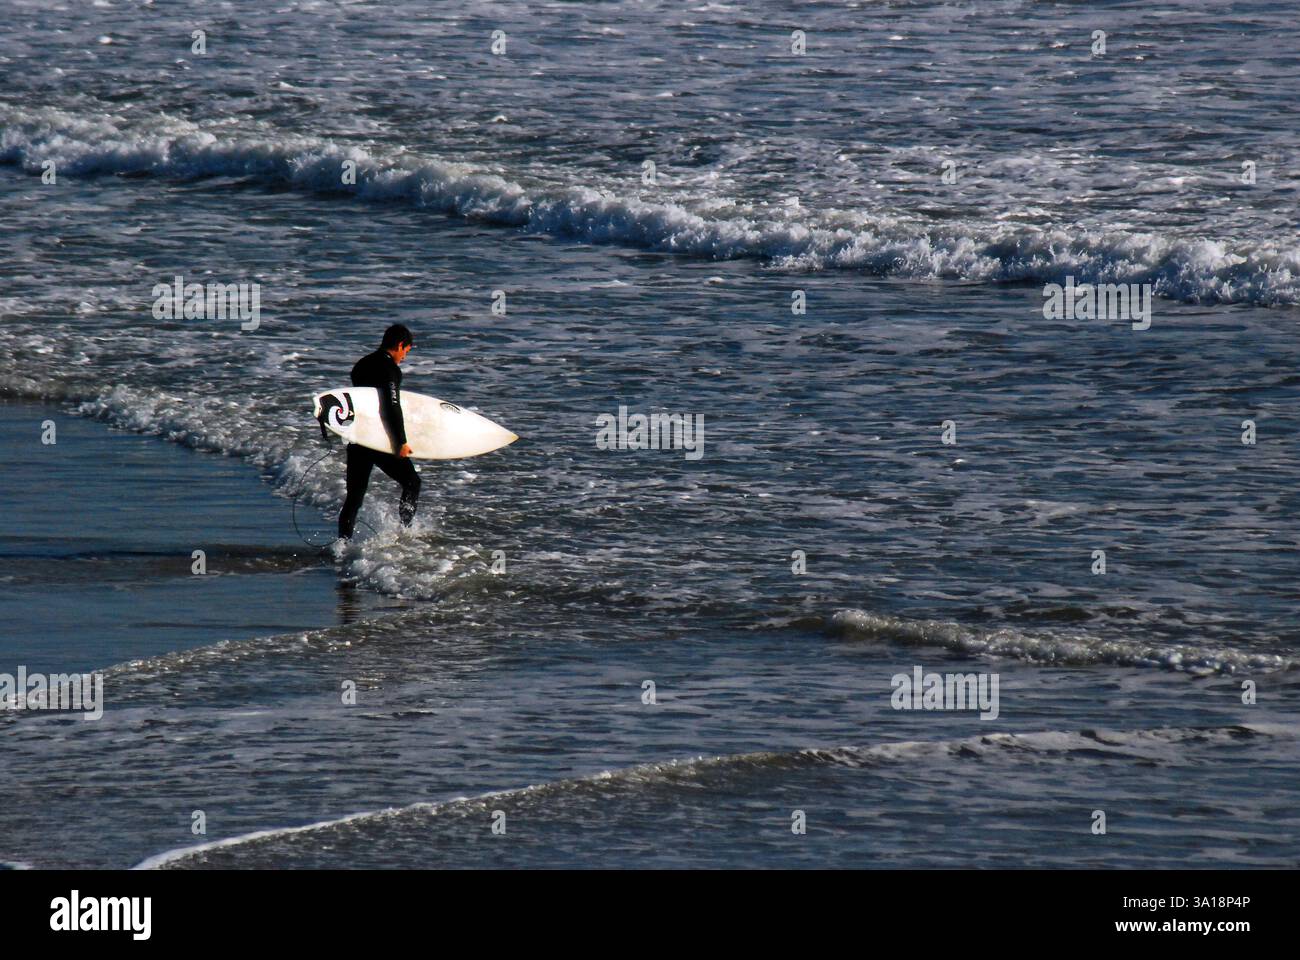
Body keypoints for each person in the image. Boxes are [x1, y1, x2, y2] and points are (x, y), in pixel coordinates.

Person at [337, 324, 420, 540]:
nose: (404, 357)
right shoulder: (390, 369)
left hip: (357, 438)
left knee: (354, 497)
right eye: (406, 352)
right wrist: (401, 441)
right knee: (412, 482)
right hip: (379, 438)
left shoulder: (361, 364)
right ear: (400, 345)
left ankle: (342, 544)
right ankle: (405, 532)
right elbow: (391, 405)